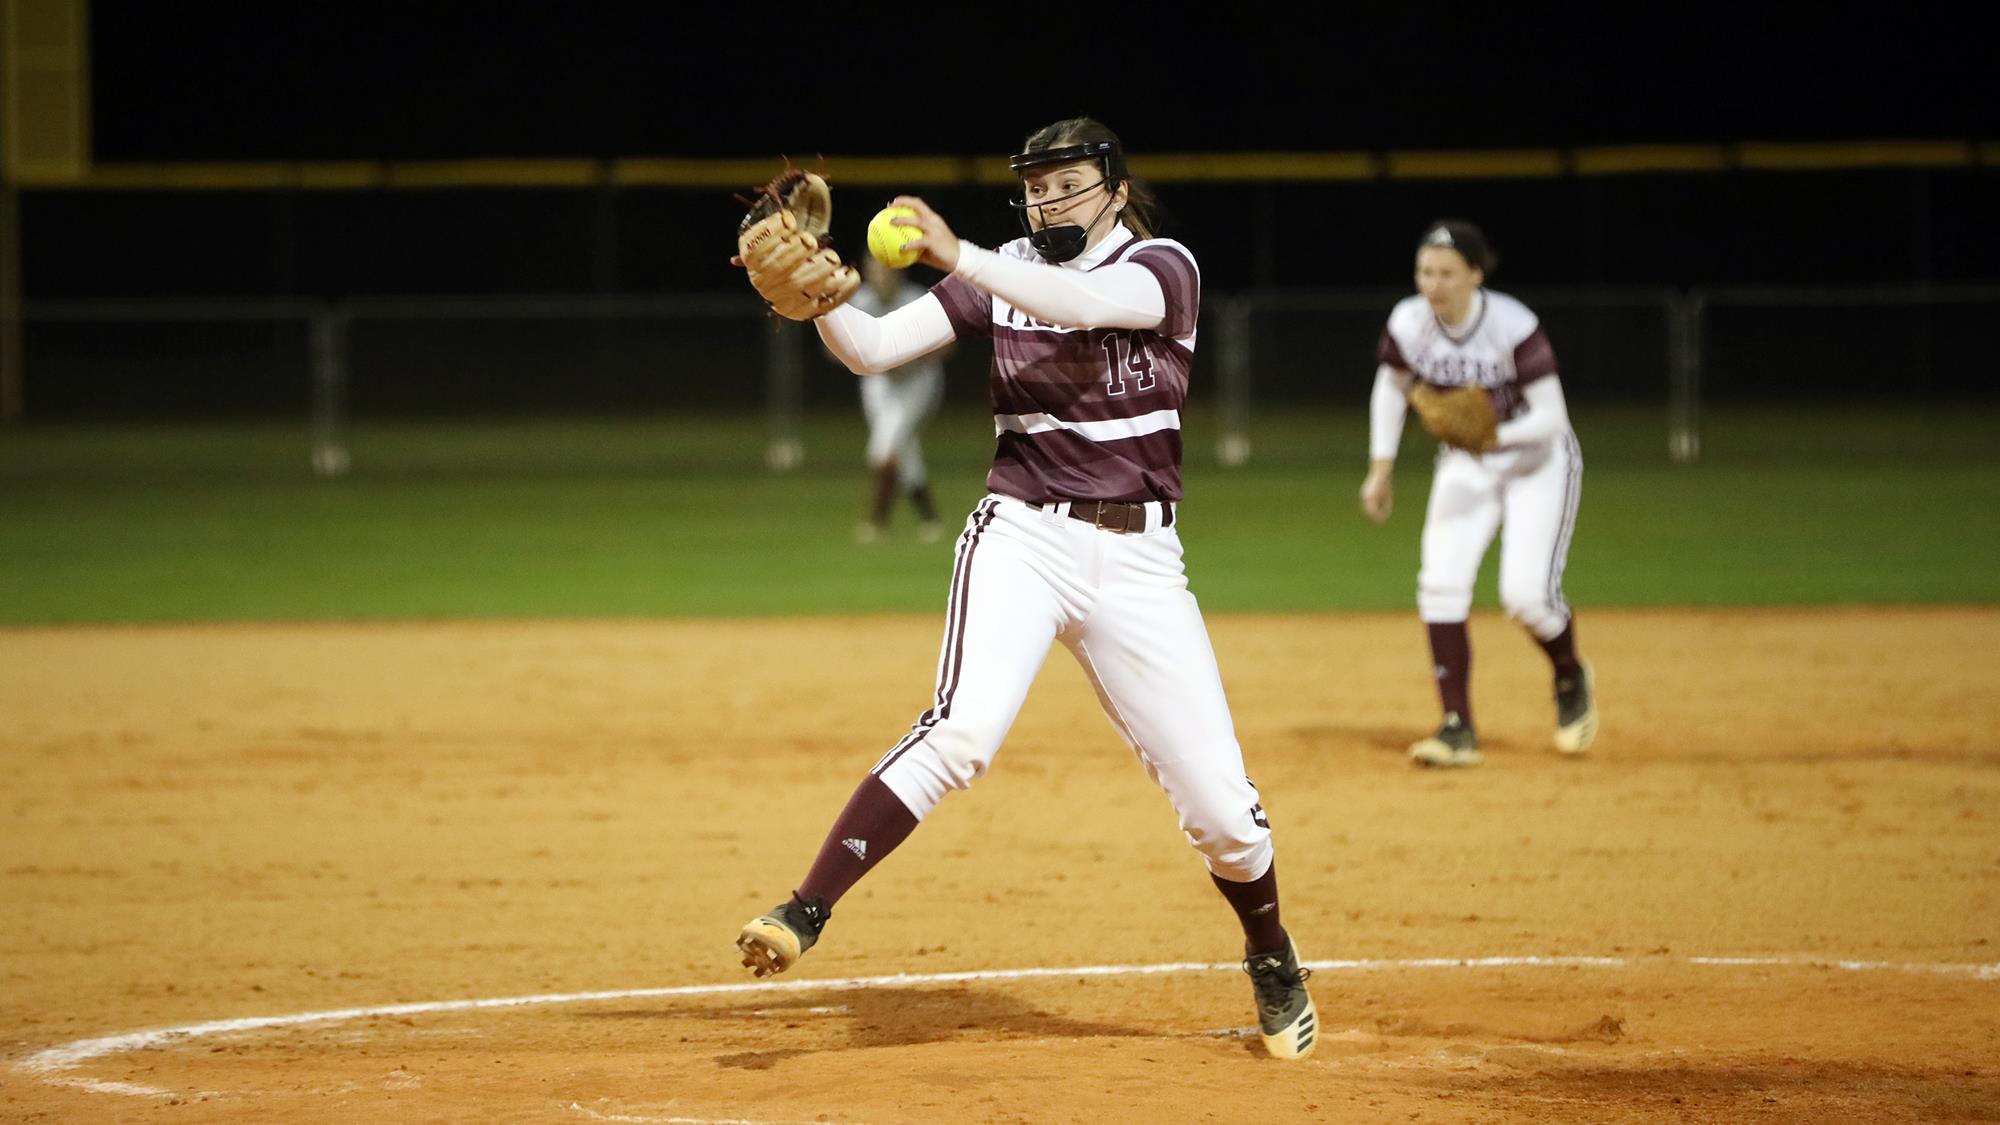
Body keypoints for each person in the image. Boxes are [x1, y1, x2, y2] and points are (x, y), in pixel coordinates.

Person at [732, 117, 1319, 1060]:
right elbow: (873, 349)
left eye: (1068, 184)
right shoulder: (1003, 269)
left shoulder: (1164, 267)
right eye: (1036, 188)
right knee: (962, 730)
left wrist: (956, 252)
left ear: (1115, 189)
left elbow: (1082, 303)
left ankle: (1270, 950)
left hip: (1141, 562)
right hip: (1023, 535)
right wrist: (820, 303)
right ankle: (804, 908)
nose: (1048, 202)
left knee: (1221, 811)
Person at [1359, 219, 1598, 768]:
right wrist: (1380, 469)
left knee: (1526, 599)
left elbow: (1552, 416)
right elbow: (1390, 388)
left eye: (1447, 273)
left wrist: (1490, 437)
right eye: (1425, 271)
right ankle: (1457, 727)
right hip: (1468, 463)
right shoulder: (1409, 321)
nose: (1433, 284)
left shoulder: (1513, 324)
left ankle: (1568, 672)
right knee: (1440, 585)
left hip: (1538, 463)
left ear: (1475, 275)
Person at [848, 253, 945, 543]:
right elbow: (837, 346)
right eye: (874, 270)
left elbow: (946, 345)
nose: (879, 276)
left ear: (898, 272)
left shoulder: (916, 298)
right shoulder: (861, 300)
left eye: (885, 270)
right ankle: (930, 519)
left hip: (916, 381)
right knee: (904, 451)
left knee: (884, 449)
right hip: (879, 382)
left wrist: (907, 355)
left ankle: (877, 522)